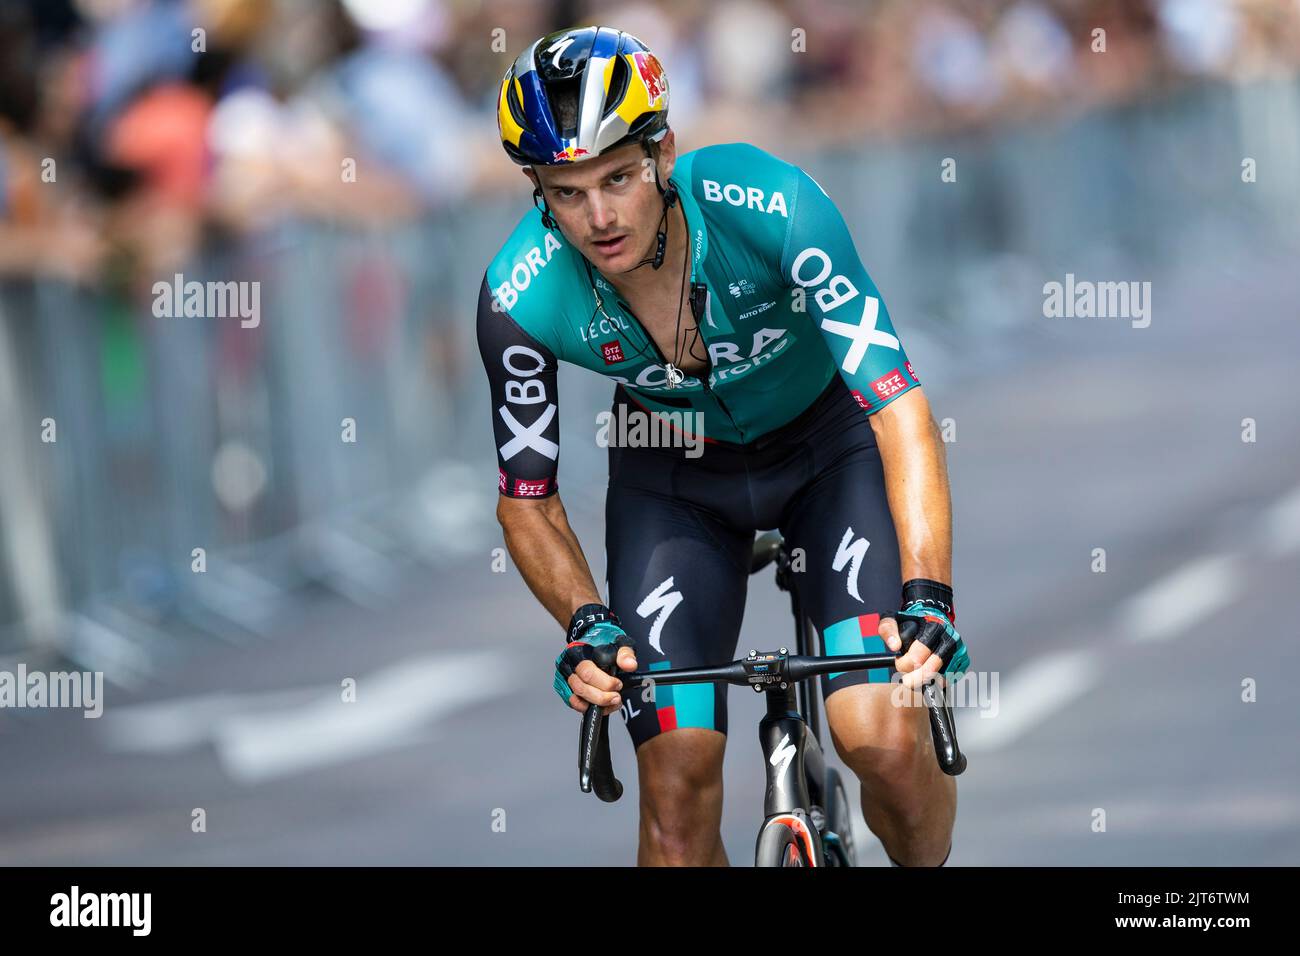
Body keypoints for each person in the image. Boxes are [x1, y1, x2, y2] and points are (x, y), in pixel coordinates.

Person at [477, 26, 969, 866]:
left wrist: (929, 592)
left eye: (619, 178)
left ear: (663, 152)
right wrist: (584, 621)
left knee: (879, 738)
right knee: (673, 788)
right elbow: (528, 500)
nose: (598, 217)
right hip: (673, 481)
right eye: (566, 192)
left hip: (828, 450)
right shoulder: (518, 296)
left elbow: (899, 411)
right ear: (537, 192)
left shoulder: (768, 203)